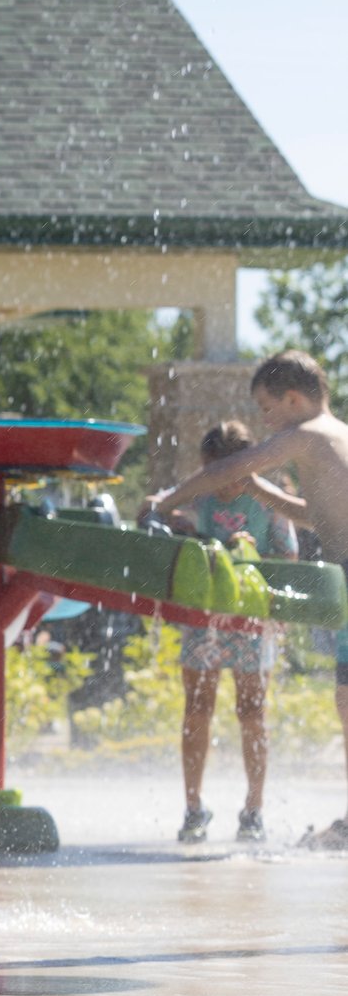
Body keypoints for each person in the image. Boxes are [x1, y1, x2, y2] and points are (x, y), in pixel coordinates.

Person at [151, 350, 348, 848]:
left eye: (266, 408)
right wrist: (262, 490)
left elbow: (227, 469)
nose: (265, 420)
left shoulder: (304, 434)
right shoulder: (337, 435)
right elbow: (315, 515)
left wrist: (165, 501)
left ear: (293, 398)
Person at [160, 421, 298, 844]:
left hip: (253, 624)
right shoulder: (197, 497)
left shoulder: (267, 501)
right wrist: (184, 528)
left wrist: (251, 550)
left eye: (230, 473)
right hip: (204, 621)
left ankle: (253, 810)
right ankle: (193, 807)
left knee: (252, 713)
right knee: (197, 709)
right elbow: (162, 517)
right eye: (213, 473)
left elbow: (289, 556)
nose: (222, 484)